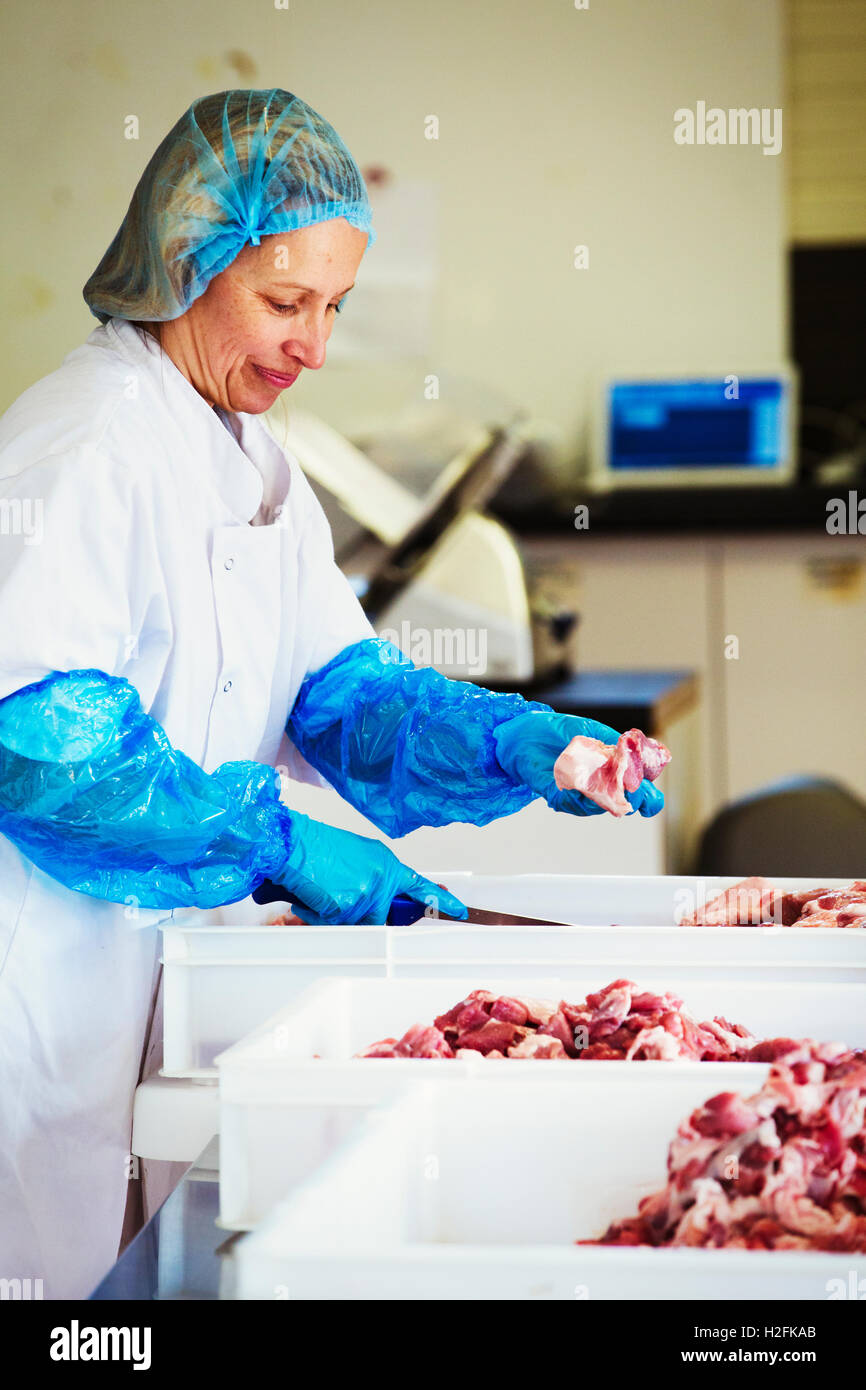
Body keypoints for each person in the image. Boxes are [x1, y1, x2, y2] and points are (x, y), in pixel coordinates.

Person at [0, 89, 663, 1298]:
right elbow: (44, 749)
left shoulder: (252, 455)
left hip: (158, 977)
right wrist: (270, 840)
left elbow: (340, 695)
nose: (312, 347)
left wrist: (524, 746)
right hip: (42, 986)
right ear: (185, 262)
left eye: (334, 309)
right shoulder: (84, 442)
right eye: (284, 302)